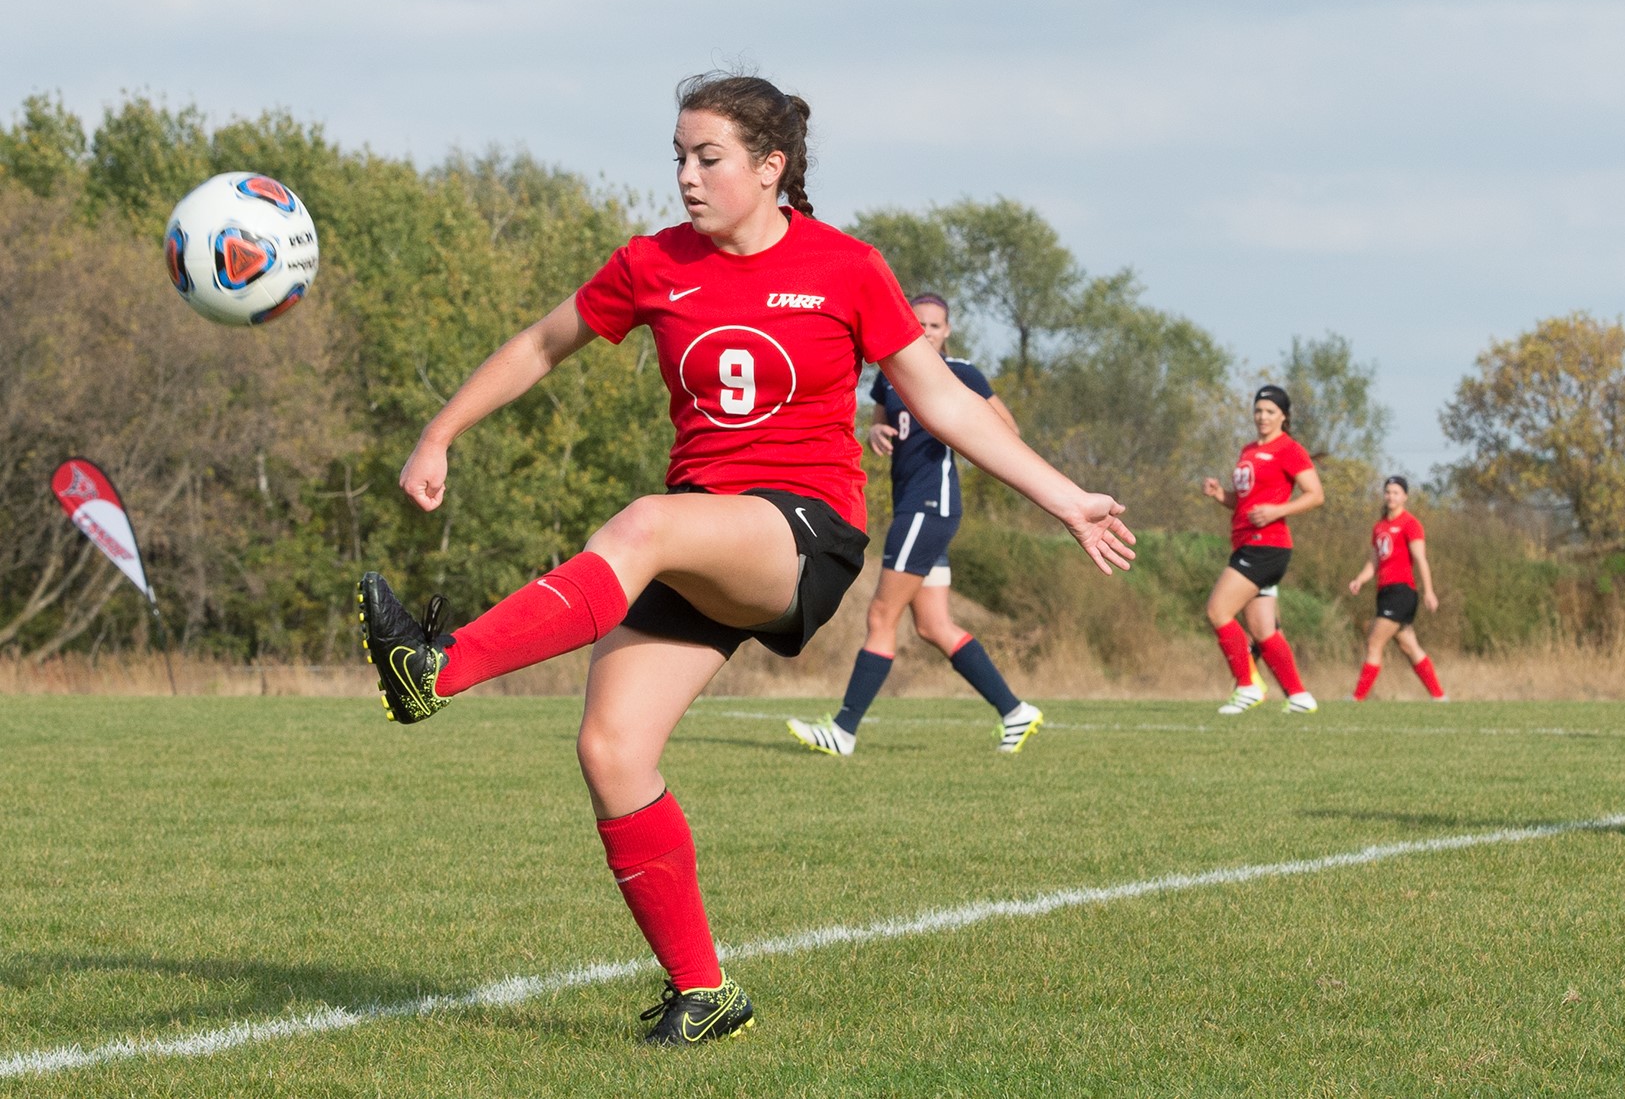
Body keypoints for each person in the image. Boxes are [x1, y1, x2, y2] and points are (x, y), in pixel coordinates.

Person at [355, 72, 1135, 1046]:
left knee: (644, 524)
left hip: (804, 537)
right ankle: (705, 993)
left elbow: (941, 400)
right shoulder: (651, 263)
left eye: (707, 157)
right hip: (700, 542)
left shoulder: (846, 267)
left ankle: (439, 667)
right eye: (678, 156)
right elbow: (542, 343)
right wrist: (439, 433)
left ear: (771, 168)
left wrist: (1066, 498)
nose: (685, 175)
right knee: (611, 749)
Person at [786, 294, 1042, 758]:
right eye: (918, 322)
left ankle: (843, 730)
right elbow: (882, 426)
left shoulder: (960, 373)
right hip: (912, 506)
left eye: (935, 325)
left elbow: (1009, 430)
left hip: (930, 507)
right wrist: (875, 432)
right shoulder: (889, 377)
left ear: (947, 331)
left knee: (881, 616)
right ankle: (1015, 711)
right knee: (933, 625)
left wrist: (961, 428)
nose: (925, 331)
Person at [1201, 384, 1324, 715]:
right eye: (1258, 410)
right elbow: (1242, 505)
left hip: (1266, 546)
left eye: (1270, 411)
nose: (1262, 417)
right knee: (1263, 631)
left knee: (1217, 611)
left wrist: (1276, 512)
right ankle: (1299, 696)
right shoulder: (1248, 450)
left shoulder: (1289, 449)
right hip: (1247, 543)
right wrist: (1219, 495)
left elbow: (1315, 494)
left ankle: (1247, 685)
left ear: (1284, 416)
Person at [1347, 475, 1447, 701]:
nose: (1391, 496)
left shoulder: (1410, 524)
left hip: (1402, 592)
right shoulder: (1379, 526)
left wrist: (1429, 591)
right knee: (1409, 646)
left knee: (1374, 642)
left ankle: (1357, 698)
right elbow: (1373, 562)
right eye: (1388, 492)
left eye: (1395, 493)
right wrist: (1360, 580)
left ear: (1404, 497)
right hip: (1384, 593)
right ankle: (1439, 697)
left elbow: (1421, 559)